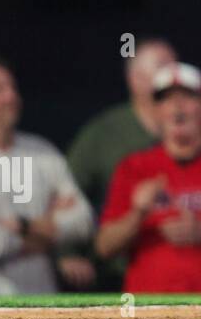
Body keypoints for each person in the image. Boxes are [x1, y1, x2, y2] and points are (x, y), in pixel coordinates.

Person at [96, 63, 201, 292]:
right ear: (156, 112)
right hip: (149, 309)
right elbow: (104, 247)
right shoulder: (134, 166)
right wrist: (137, 214)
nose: (177, 106)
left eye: (188, 96)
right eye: (166, 99)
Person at [0, 59, 95, 295]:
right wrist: (49, 229)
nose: (10, 96)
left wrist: (22, 225)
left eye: (13, 88)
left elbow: (83, 221)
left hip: (44, 306)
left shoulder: (43, 151)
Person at [67, 38, 179, 215]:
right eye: (163, 66)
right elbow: (68, 195)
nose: (174, 74)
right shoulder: (103, 132)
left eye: (176, 66)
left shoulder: (198, 123)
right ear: (136, 79)